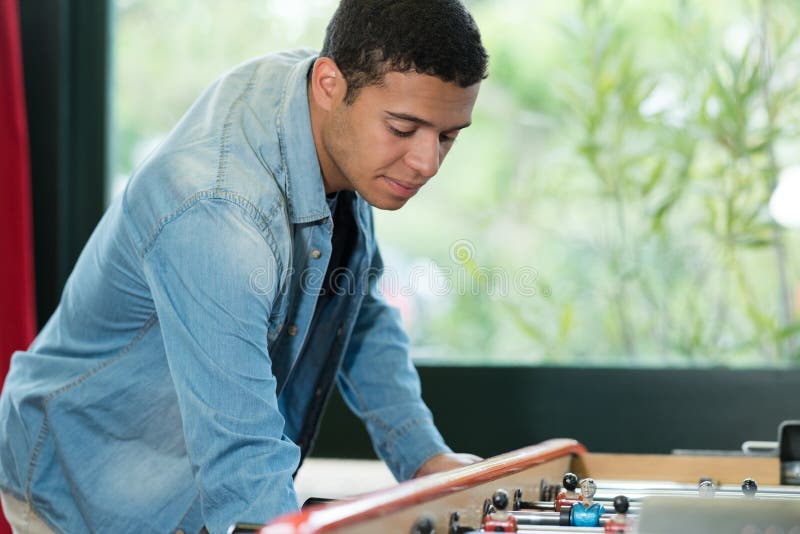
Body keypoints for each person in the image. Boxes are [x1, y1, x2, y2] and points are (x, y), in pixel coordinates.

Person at [0, 1, 489, 532]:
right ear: (329, 85)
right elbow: (241, 454)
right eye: (404, 129)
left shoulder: (337, 115)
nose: (426, 163)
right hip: (83, 490)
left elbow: (356, 305)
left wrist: (424, 457)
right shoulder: (217, 212)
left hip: (189, 478)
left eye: (447, 136)